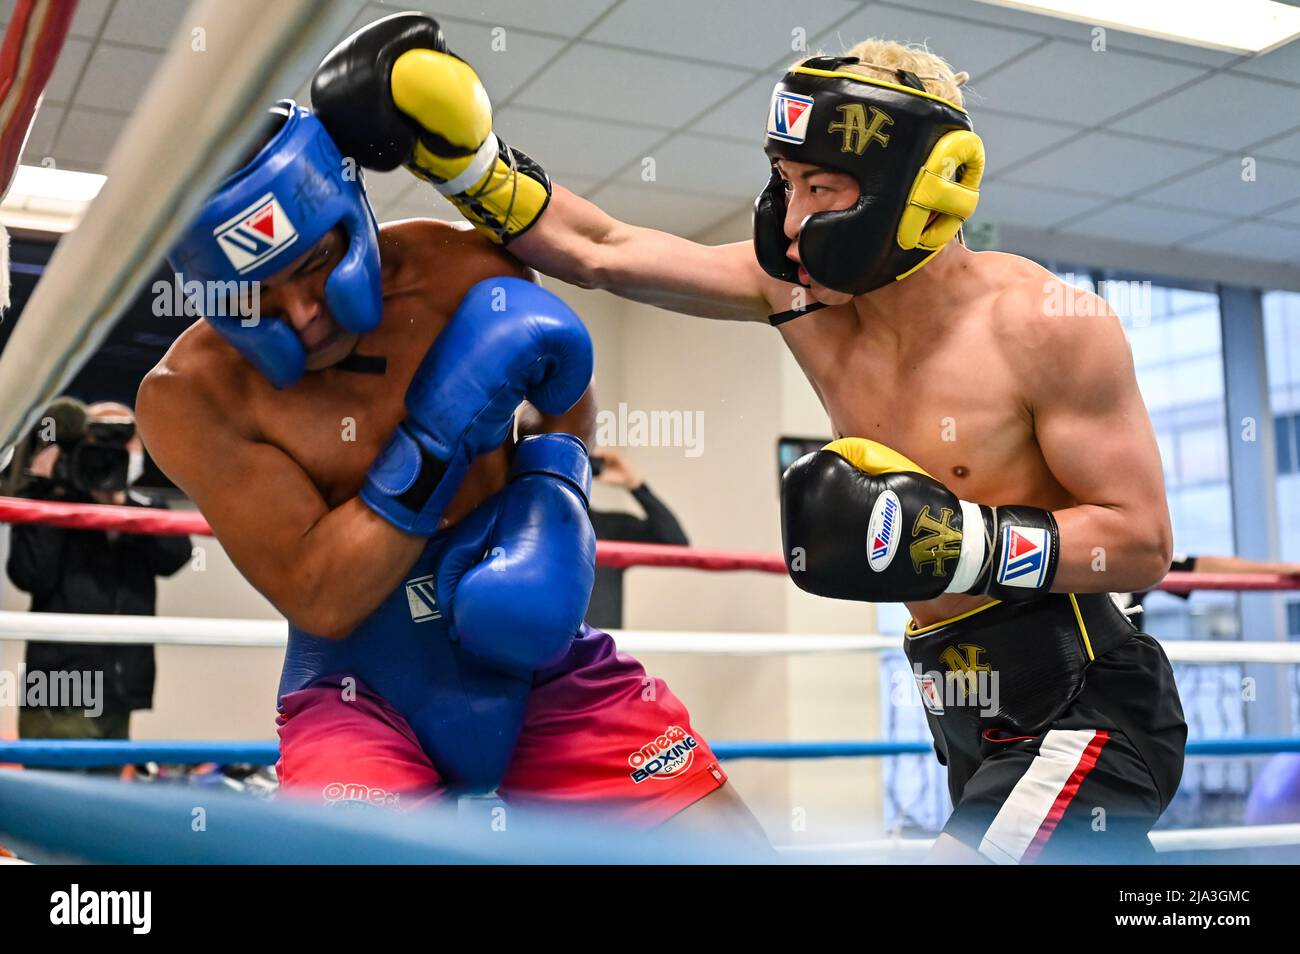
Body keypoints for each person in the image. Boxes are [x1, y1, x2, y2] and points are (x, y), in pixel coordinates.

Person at [323, 13, 1186, 862]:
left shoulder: (1044, 325)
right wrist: (460, 159)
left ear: (916, 192)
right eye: (788, 181)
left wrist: (962, 542)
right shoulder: (796, 292)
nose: (797, 219)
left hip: (1083, 702)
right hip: (963, 705)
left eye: (827, 189)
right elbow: (603, 248)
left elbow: (1142, 541)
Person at [138, 93, 765, 843]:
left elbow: (563, 389)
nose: (304, 313)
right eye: (256, 295)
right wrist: (435, 436)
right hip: (358, 687)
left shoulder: (460, 269)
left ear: (353, 214)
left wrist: (552, 500)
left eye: (314, 265)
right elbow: (325, 593)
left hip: (541, 657)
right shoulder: (191, 398)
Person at [6, 398, 191, 753]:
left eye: (124, 437)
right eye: (100, 436)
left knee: (103, 802)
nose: (113, 449)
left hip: (119, 689)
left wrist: (122, 507)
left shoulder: (145, 507)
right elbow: (31, 576)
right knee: (54, 806)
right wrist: (50, 496)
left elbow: (175, 558)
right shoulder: (53, 500)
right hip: (58, 688)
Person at [587, 447, 689, 629]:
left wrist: (636, 485)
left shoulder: (610, 527)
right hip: (545, 653)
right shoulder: (528, 525)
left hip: (603, 653)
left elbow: (676, 543)